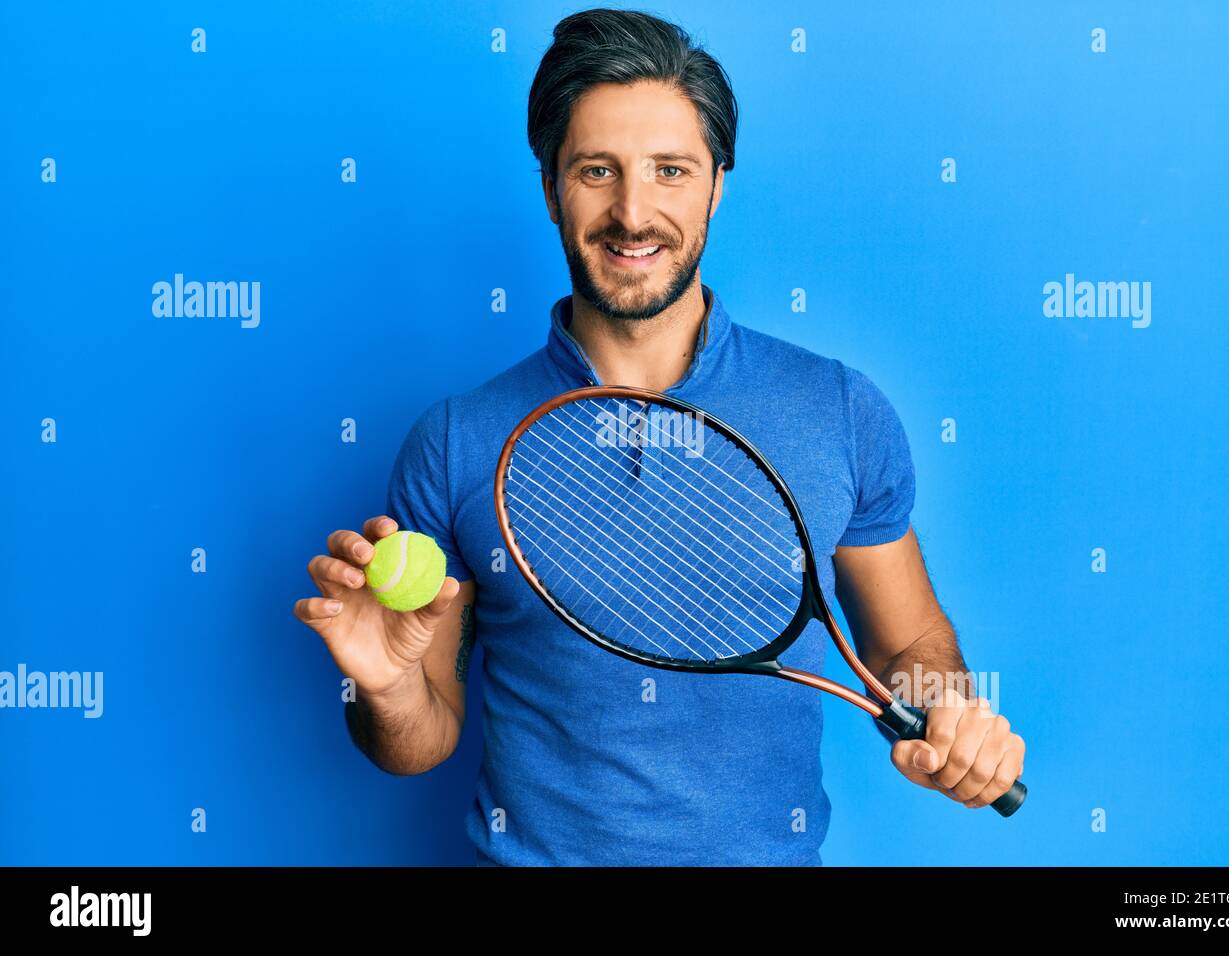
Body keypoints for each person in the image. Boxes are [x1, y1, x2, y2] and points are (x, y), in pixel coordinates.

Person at [294, 8, 1025, 866]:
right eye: (597, 170)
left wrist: (946, 710)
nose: (633, 213)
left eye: (670, 171)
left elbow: (907, 645)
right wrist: (382, 686)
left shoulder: (838, 409)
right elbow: (420, 740)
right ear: (550, 188)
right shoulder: (456, 442)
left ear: (717, 183)